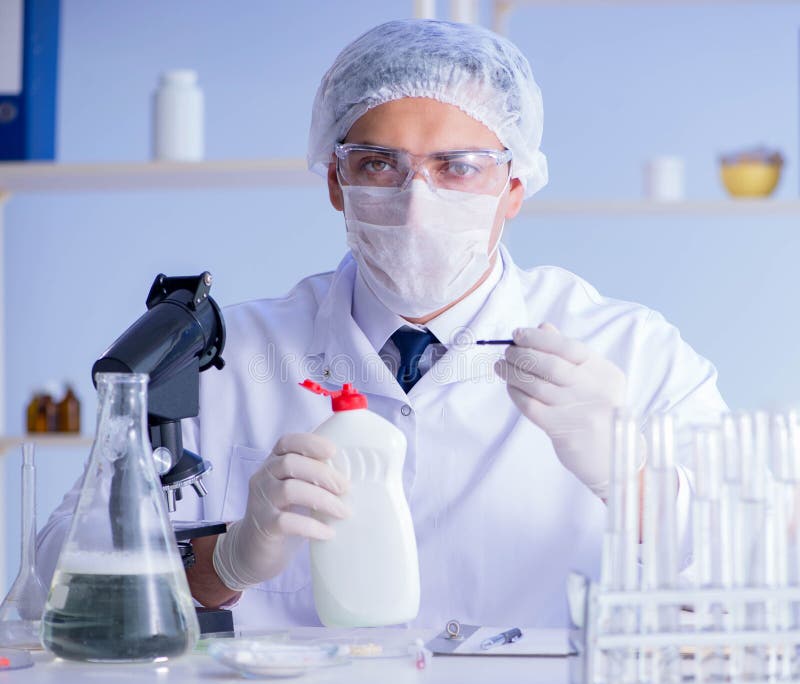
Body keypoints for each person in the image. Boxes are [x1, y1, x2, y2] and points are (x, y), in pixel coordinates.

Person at [37, 18, 726, 629]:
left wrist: (631, 475)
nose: (415, 201)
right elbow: (57, 578)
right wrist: (230, 558)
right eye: (377, 163)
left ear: (513, 189)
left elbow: (750, 582)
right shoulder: (227, 356)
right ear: (335, 179)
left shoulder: (634, 353)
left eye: (458, 168)